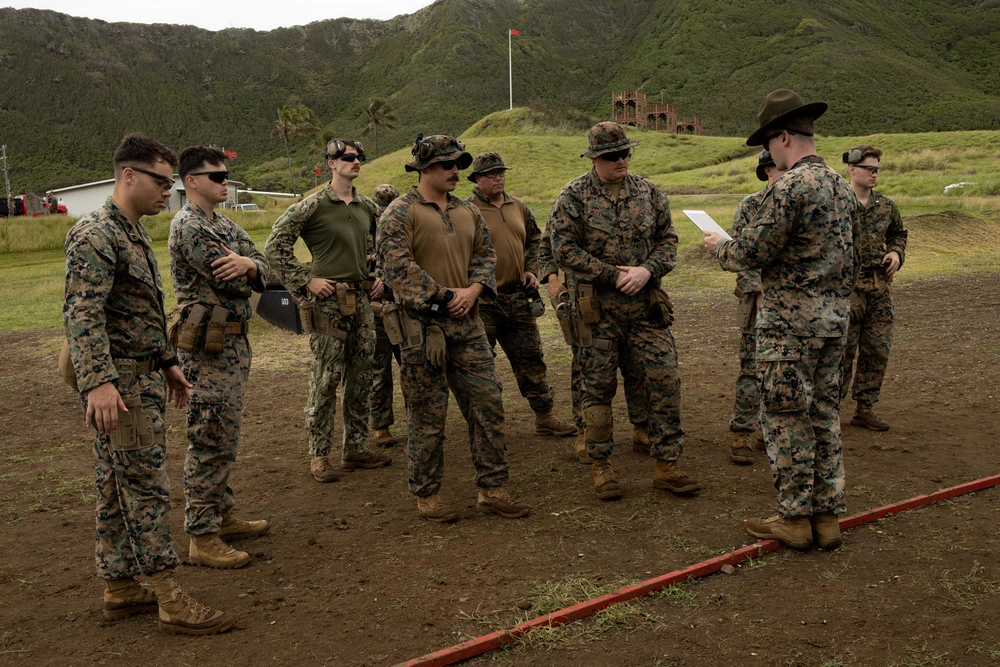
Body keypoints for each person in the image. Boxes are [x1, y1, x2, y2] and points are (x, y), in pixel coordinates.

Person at [63, 133, 234, 635]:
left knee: (117, 487)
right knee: (147, 489)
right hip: (121, 388)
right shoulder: (96, 233)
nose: (170, 190)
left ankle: (120, 586)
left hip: (140, 377)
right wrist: (97, 383)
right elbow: (83, 313)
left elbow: (133, 312)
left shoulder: (131, 231)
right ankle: (169, 596)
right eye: (161, 181)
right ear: (129, 176)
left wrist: (165, 360)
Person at [704, 89, 860, 550]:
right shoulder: (841, 188)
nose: (768, 153)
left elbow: (752, 252)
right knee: (825, 416)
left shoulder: (790, 188)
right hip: (833, 324)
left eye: (769, 144)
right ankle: (827, 517)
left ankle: (794, 518)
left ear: (784, 137)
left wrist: (720, 248)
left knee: (787, 419)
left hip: (788, 328)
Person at [378, 134, 529, 522]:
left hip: (469, 325)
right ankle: (428, 494)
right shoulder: (398, 212)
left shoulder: (467, 210)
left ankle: (493, 488)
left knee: (488, 405)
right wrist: (445, 297)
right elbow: (398, 270)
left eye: (459, 164)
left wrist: (475, 289)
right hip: (423, 330)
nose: (456, 172)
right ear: (424, 169)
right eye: (448, 165)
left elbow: (485, 254)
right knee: (428, 415)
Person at [549, 122, 699, 500]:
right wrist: (610, 275)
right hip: (597, 312)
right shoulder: (574, 196)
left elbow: (669, 241)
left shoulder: (648, 191)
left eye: (626, 153)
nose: (622, 160)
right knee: (597, 389)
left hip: (646, 308)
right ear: (595, 159)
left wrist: (647, 270)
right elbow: (562, 248)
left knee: (665, 381)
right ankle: (601, 466)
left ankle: (667, 463)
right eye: (613, 156)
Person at [265, 138, 391, 483]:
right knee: (325, 380)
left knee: (362, 377)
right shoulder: (313, 206)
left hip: (362, 304)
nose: (356, 161)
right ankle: (319, 455)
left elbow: (389, 245)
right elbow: (274, 245)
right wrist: (306, 281)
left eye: (359, 157)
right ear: (331, 164)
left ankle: (355, 449)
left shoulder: (367, 207)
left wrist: (379, 276)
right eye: (348, 157)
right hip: (328, 305)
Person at [168, 145, 270, 570]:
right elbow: (231, 283)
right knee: (210, 437)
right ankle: (202, 534)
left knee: (224, 434)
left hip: (231, 343)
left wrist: (249, 264)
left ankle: (221, 515)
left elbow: (265, 268)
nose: (225, 182)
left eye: (226, 175)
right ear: (192, 181)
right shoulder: (189, 227)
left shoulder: (223, 224)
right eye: (217, 176)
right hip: (207, 348)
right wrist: (250, 270)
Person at [465, 152, 575, 438]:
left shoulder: (519, 206)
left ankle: (545, 415)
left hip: (517, 297)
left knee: (531, 358)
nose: (498, 177)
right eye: (491, 174)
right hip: (483, 301)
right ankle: (483, 425)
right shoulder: (465, 211)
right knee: (479, 366)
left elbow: (535, 240)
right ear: (477, 179)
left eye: (501, 172)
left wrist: (530, 268)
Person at [539, 229, 653, 463]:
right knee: (587, 369)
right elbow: (547, 244)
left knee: (636, 366)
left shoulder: (636, 196)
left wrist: (653, 281)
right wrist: (552, 278)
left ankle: (642, 428)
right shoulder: (572, 198)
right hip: (588, 299)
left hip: (633, 298)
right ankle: (584, 432)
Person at [839, 145, 908, 431]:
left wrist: (896, 253)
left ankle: (864, 409)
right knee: (842, 352)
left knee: (877, 350)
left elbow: (898, 233)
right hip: (848, 290)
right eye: (869, 168)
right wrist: (845, 291)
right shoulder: (838, 204)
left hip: (880, 289)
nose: (874, 173)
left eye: (877, 168)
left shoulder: (886, 206)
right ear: (852, 169)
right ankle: (826, 411)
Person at [727, 150, 786, 464]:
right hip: (758, 302)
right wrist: (759, 290)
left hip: (793, 303)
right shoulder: (750, 206)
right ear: (766, 171)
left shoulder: (798, 203)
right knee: (752, 368)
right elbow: (739, 253)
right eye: (777, 168)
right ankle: (742, 432)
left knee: (785, 369)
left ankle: (774, 429)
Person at [369, 183, 402, 447]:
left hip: (403, 308)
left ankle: (420, 420)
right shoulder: (362, 232)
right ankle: (381, 426)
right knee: (379, 369)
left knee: (414, 367)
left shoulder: (404, 228)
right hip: (377, 309)